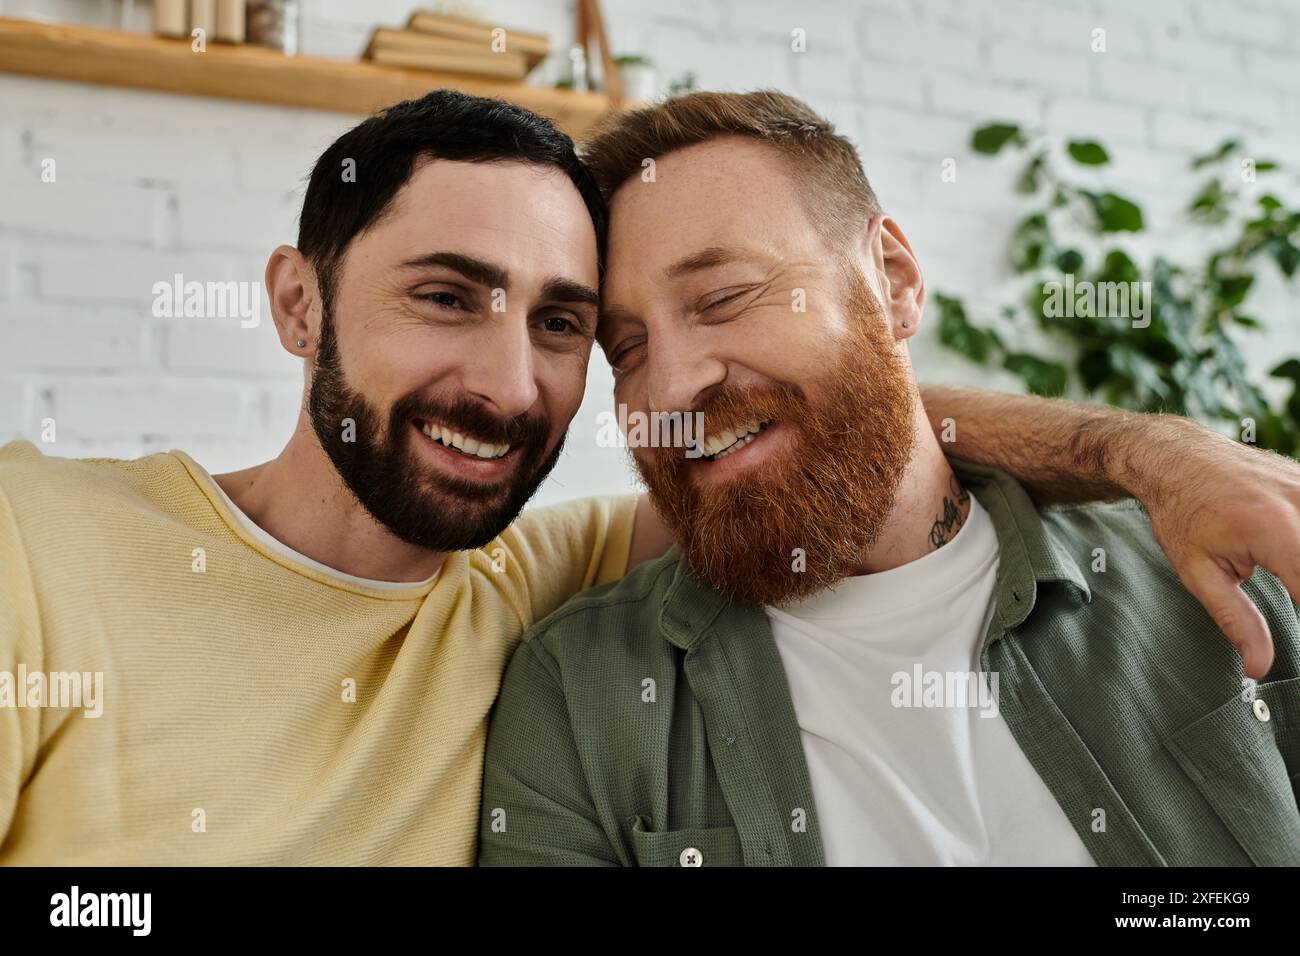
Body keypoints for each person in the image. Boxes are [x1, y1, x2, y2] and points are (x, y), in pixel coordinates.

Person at [477, 91, 1300, 866]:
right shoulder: (578, 695)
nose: (670, 388)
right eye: (625, 350)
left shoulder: (1219, 569)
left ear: (893, 282)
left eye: (723, 297)